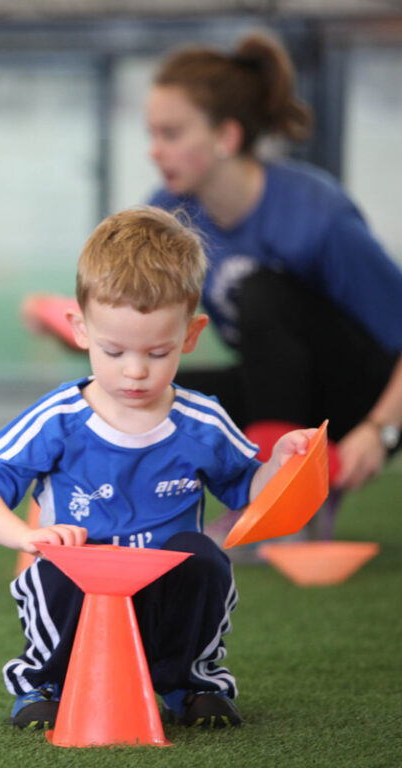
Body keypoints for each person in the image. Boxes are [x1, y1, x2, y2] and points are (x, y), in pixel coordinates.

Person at [0, 206, 317, 731]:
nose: (135, 370)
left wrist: (280, 465)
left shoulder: (202, 420)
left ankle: (188, 682)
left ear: (191, 336)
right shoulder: (59, 418)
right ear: (79, 329)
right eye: (114, 349)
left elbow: (246, 488)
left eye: (157, 351)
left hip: (162, 589)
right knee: (56, 564)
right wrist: (25, 537)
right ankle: (45, 682)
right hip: (81, 583)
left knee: (203, 556)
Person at [146, 32, 402, 539]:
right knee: (153, 392)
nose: (156, 152)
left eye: (171, 134)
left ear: (227, 138)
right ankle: (145, 519)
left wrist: (380, 431)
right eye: (151, 135)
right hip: (277, 387)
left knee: (261, 293)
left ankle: (282, 502)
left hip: (363, 402)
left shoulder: (317, 217)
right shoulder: (171, 212)